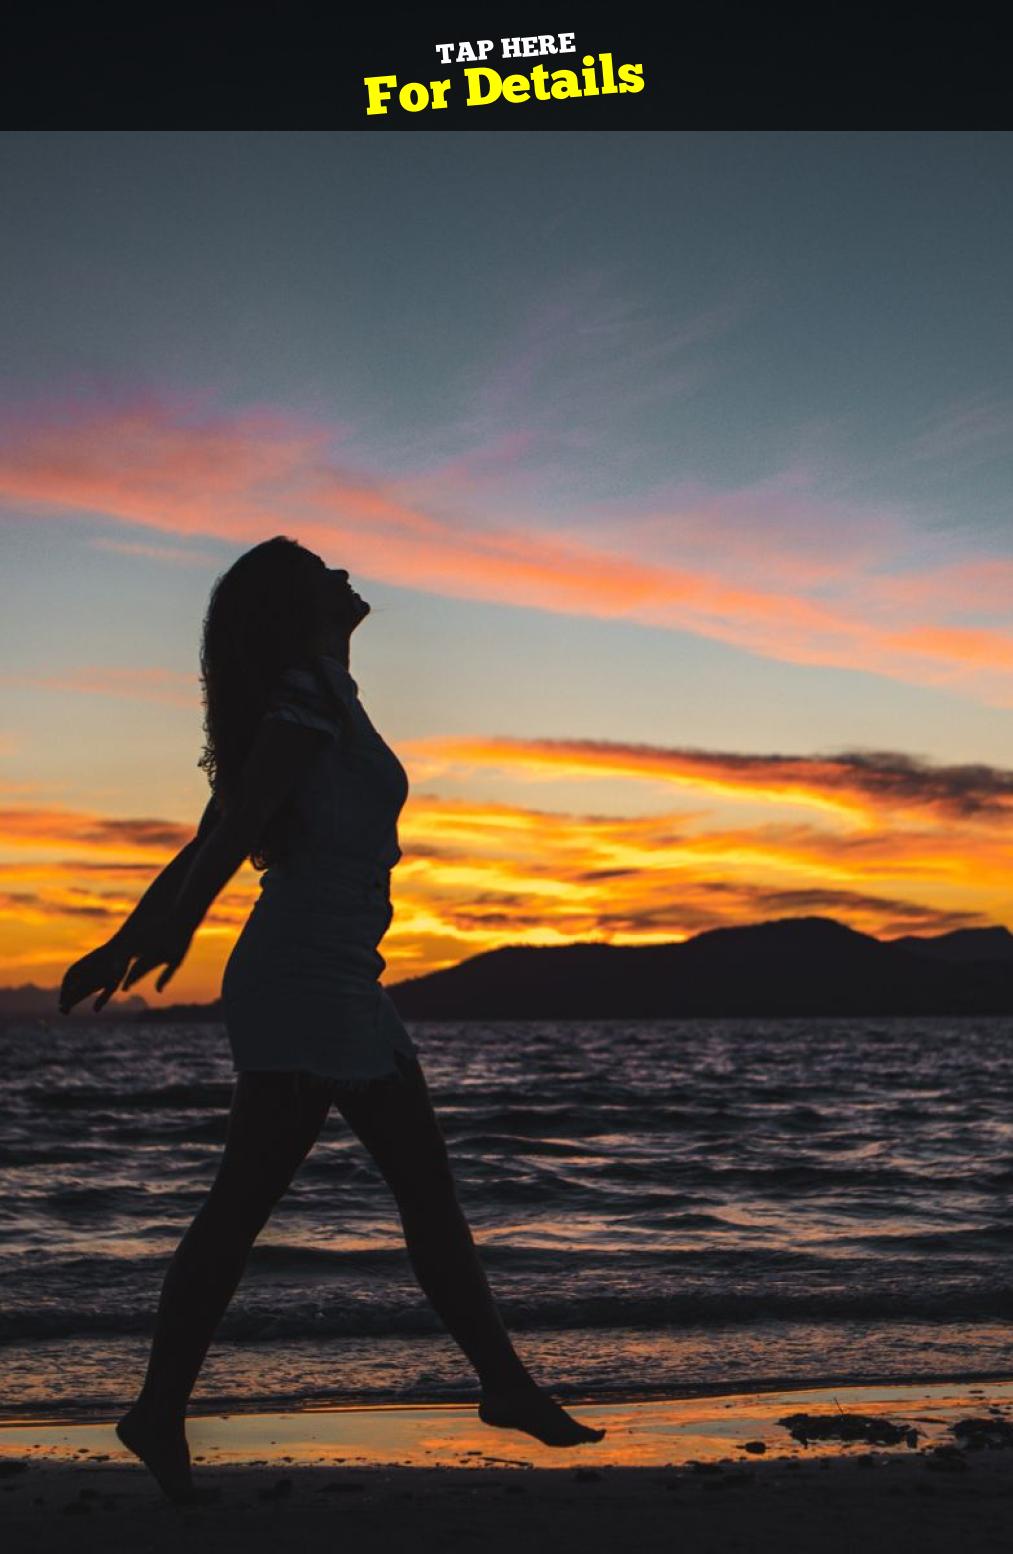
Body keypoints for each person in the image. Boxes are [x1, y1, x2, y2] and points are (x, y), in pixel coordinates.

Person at [58, 536, 604, 1503]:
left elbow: (223, 822)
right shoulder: (303, 702)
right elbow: (225, 832)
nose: (343, 574)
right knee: (281, 1203)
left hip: (344, 978)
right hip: (302, 982)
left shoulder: (326, 693)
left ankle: (166, 1409)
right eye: (320, 570)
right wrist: (152, 936)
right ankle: (499, 1387)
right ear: (291, 605)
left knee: (363, 1201)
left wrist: (145, 934)